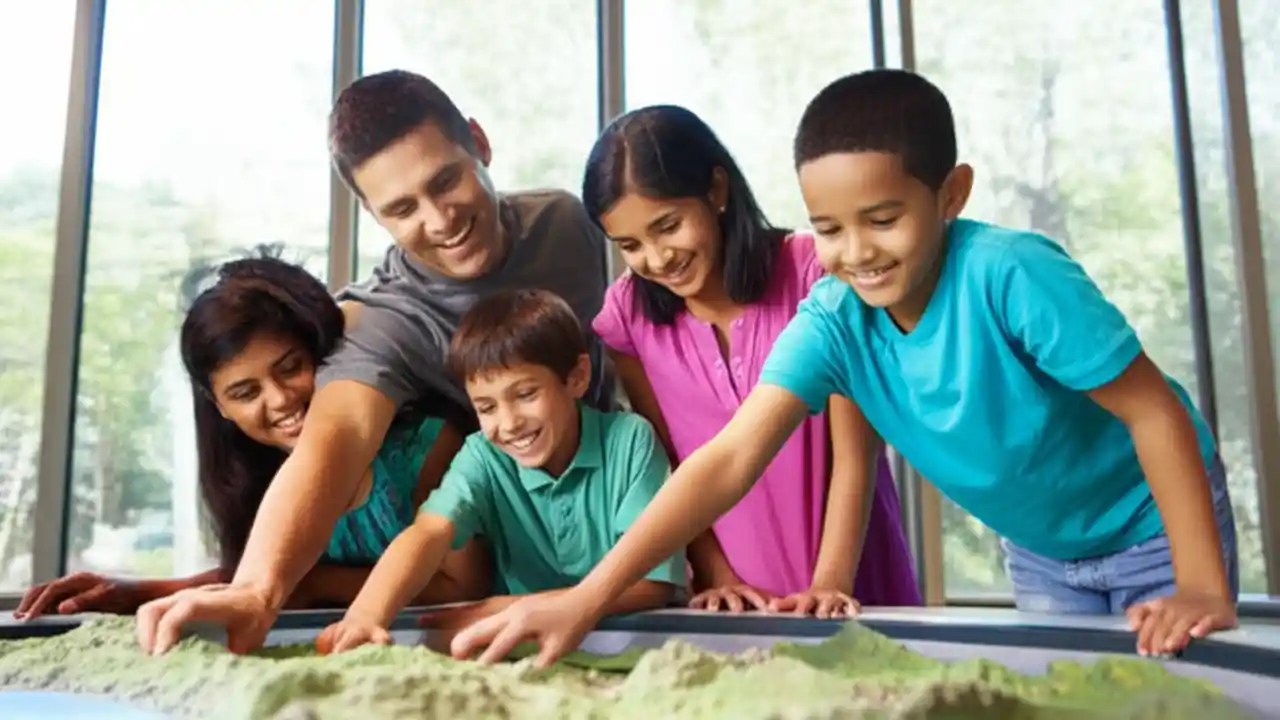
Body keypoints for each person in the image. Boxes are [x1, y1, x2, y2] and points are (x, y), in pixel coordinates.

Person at [446, 69, 1239, 667]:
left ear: (950, 194)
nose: (856, 252)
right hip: (1038, 549)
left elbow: (1156, 413)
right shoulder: (832, 314)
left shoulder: (1012, 272)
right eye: (829, 227)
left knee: (1184, 694)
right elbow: (724, 459)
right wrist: (587, 599)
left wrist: (1200, 584)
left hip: (1151, 529)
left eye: (883, 219)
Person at [135, 70, 614, 656]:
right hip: (515, 570)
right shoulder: (381, 320)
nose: (440, 220)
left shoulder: (567, 224)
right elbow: (332, 441)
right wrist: (257, 590)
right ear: (370, 211)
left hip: (625, 527)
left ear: (479, 144)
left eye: (446, 181)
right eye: (402, 207)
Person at [16, 253, 490, 620]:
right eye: (246, 392)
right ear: (220, 406)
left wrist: (316, 582)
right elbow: (253, 581)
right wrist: (135, 593)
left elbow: (463, 586)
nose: (281, 399)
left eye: (292, 368)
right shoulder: (260, 473)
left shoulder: (427, 446)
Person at [584, 104, 919, 616]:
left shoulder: (816, 274)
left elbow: (856, 454)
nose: (656, 258)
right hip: (735, 596)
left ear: (716, 191)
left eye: (668, 225)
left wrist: (829, 586)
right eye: (630, 244)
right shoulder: (628, 317)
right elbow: (669, 461)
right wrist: (715, 574)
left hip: (849, 572)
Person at [316, 289, 682, 654]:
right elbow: (429, 532)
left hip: (634, 639)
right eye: (487, 407)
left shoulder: (630, 439)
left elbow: (653, 584)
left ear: (577, 377)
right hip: (523, 643)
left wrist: (514, 608)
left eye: (525, 395)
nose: (508, 424)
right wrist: (366, 614)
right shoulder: (483, 454)